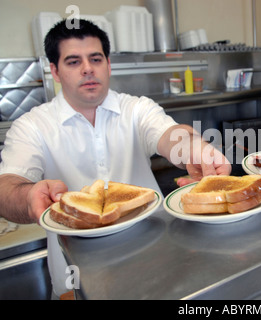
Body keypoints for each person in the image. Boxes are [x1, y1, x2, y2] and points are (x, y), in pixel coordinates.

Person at [0, 19, 231, 298]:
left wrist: (194, 147)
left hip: (159, 264)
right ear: (55, 71)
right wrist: (28, 197)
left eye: (95, 58)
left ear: (108, 65)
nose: (87, 68)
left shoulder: (136, 109)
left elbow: (168, 133)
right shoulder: (32, 126)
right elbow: (7, 186)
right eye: (73, 61)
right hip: (77, 282)